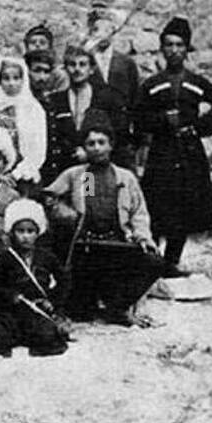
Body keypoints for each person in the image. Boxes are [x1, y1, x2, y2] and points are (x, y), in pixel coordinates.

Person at [135, 16, 212, 278]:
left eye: (180, 45)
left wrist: (199, 128)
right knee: (156, 203)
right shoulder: (152, 84)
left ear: (186, 49)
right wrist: (161, 121)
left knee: (184, 207)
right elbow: (138, 117)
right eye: (169, 44)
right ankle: (151, 262)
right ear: (162, 49)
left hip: (189, 152)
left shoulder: (196, 82)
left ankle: (171, 263)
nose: (174, 50)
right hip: (162, 152)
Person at [42, 124, 163, 325]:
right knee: (81, 312)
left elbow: (138, 213)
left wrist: (143, 237)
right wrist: (65, 212)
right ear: (84, 148)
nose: (96, 148)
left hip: (118, 245)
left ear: (111, 146)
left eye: (101, 143)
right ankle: (92, 300)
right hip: (87, 249)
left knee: (154, 261)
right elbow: (50, 197)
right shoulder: (82, 176)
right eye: (91, 144)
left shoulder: (124, 177)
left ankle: (118, 308)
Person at [0, 199, 70, 358]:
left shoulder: (47, 257)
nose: (25, 236)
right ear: (12, 233)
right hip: (10, 311)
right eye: (20, 231)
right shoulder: (4, 259)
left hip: (35, 310)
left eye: (30, 231)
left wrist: (53, 301)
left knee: (47, 336)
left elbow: (64, 280)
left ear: (37, 233)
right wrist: (9, 295)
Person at [45, 44, 132, 176]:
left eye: (82, 64)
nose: (77, 69)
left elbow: (119, 134)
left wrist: (90, 151)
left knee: (88, 194)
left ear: (91, 69)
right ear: (66, 69)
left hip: (96, 169)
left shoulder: (108, 99)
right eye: (72, 65)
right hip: (65, 169)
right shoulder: (55, 101)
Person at [0, 53, 47, 187]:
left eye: (16, 78)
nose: (11, 83)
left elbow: (38, 150)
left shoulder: (34, 109)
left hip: (26, 176)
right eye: (6, 78)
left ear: (23, 79)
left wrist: (17, 174)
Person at [85, 2, 139, 109]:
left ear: (113, 31)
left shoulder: (126, 63)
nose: (102, 35)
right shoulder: (85, 61)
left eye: (107, 29)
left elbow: (134, 95)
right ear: (91, 32)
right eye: (96, 30)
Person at [23, 25, 68, 93]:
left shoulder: (58, 75)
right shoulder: (21, 69)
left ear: (49, 47)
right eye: (33, 42)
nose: (37, 45)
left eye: (42, 43)